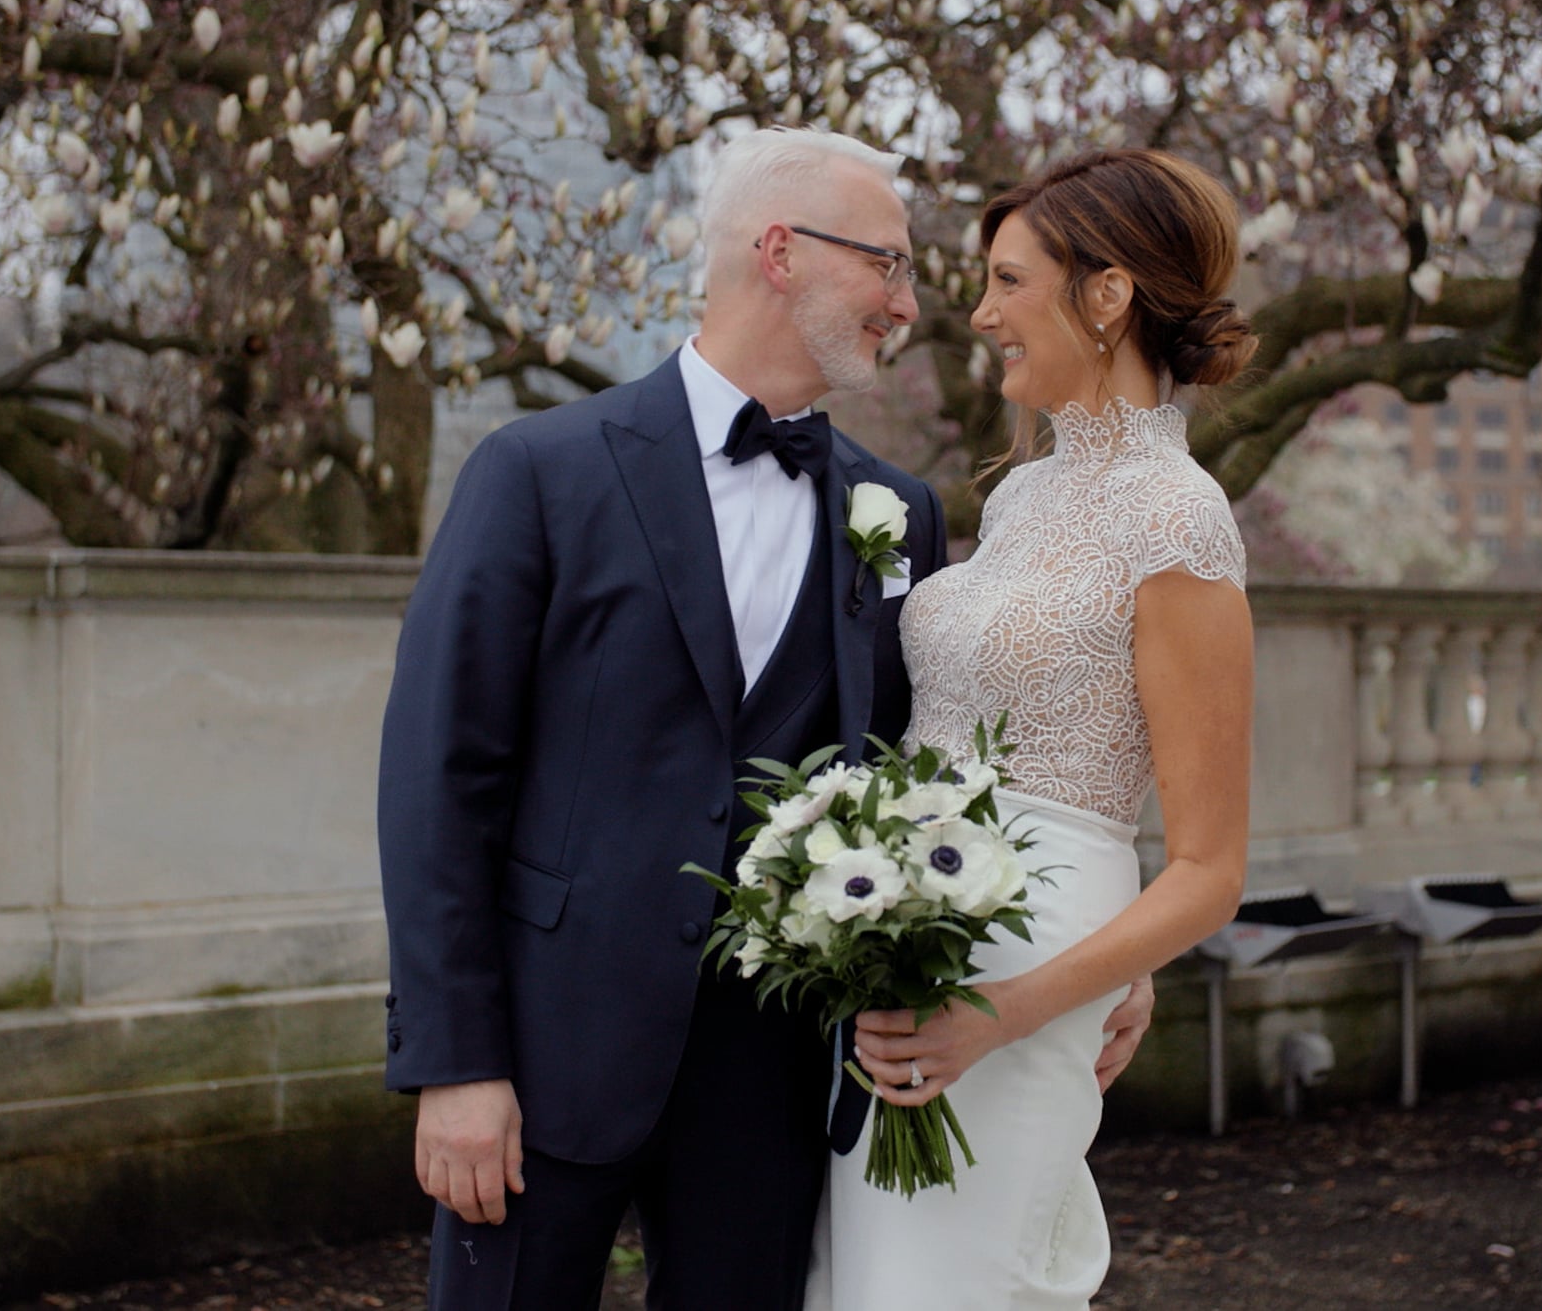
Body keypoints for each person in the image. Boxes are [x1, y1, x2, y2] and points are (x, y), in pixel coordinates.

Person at [375, 126, 1156, 1311]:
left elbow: (945, 772)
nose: (909, 305)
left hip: (776, 1081)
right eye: (887, 265)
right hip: (543, 1057)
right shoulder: (538, 471)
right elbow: (439, 779)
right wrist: (454, 1063)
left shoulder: (898, 511)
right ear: (779, 252)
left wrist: (1107, 955)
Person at [807, 148, 1258, 1310]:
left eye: (1009, 282)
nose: (980, 313)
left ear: (1106, 296)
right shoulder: (1020, 493)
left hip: (1019, 997)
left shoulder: (1181, 520)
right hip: (912, 950)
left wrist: (1001, 1014)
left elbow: (1209, 872)